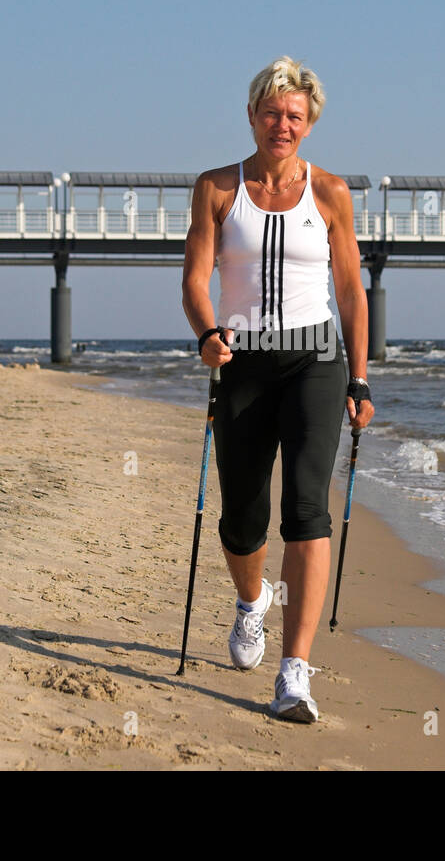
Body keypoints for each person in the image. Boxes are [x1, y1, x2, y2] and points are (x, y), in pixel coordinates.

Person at [181, 56, 374, 723]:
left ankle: (295, 674)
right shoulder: (216, 188)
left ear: (309, 123)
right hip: (242, 362)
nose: (282, 123)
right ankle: (249, 601)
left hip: (315, 361)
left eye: (294, 115)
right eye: (272, 112)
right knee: (240, 519)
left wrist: (360, 377)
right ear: (252, 115)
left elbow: (351, 290)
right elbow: (195, 278)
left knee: (306, 509)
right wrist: (207, 333)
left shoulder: (332, 194)